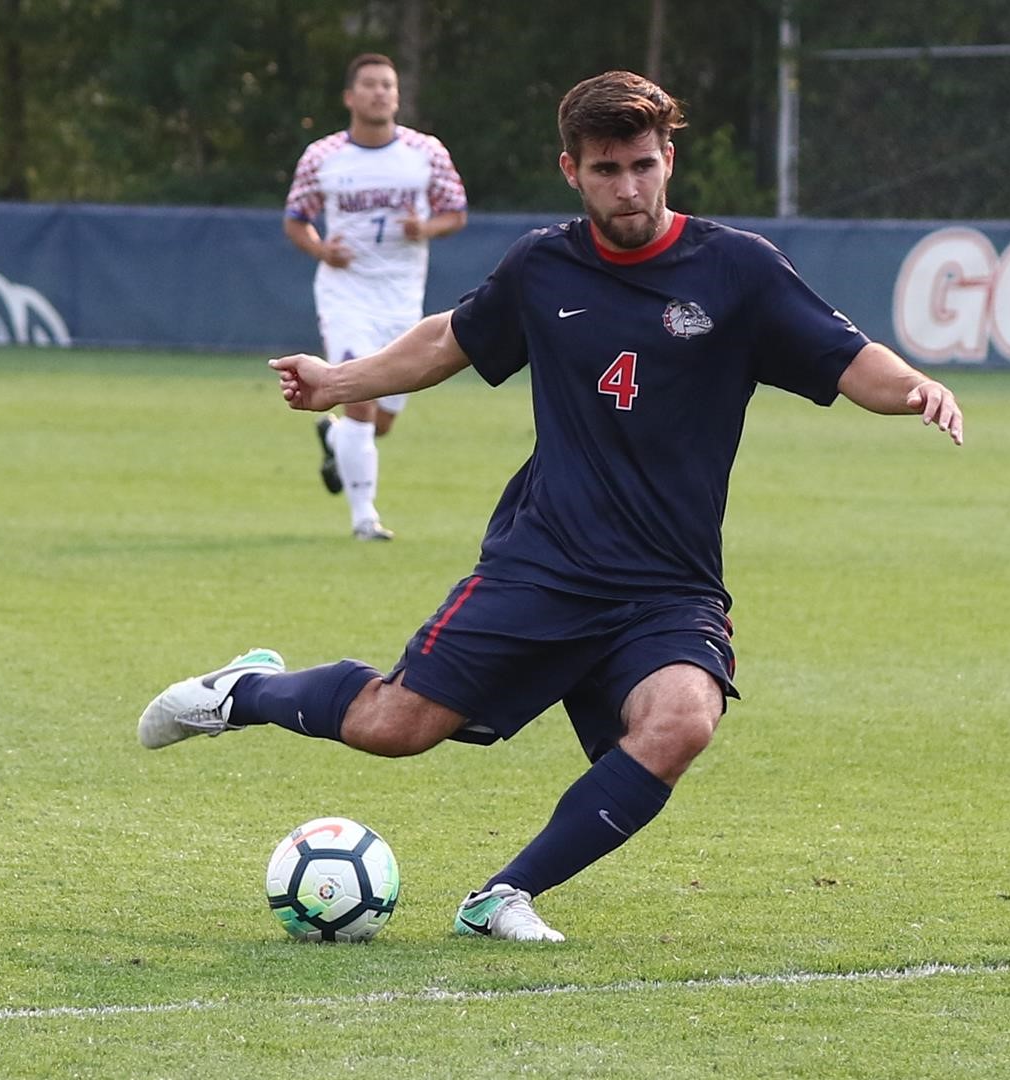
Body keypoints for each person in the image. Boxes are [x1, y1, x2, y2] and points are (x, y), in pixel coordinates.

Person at [142, 71, 964, 940]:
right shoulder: (544, 265)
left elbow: (847, 355)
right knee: (396, 726)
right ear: (571, 169)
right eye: (607, 169)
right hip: (547, 563)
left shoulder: (737, 270)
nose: (630, 187)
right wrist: (339, 380)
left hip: (668, 584)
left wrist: (915, 389)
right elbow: (447, 340)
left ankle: (502, 894)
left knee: (683, 718)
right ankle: (245, 691)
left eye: (644, 165)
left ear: (669, 159)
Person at [282, 52, 468, 541]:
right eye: (369, 85)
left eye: (388, 85)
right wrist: (323, 251)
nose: (380, 92)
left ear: (397, 95)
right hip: (347, 295)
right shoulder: (323, 156)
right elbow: (296, 218)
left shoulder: (424, 152)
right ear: (350, 96)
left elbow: (456, 212)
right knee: (358, 400)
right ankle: (365, 519)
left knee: (381, 421)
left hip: (402, 299)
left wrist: (423, 227)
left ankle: (335, 436)